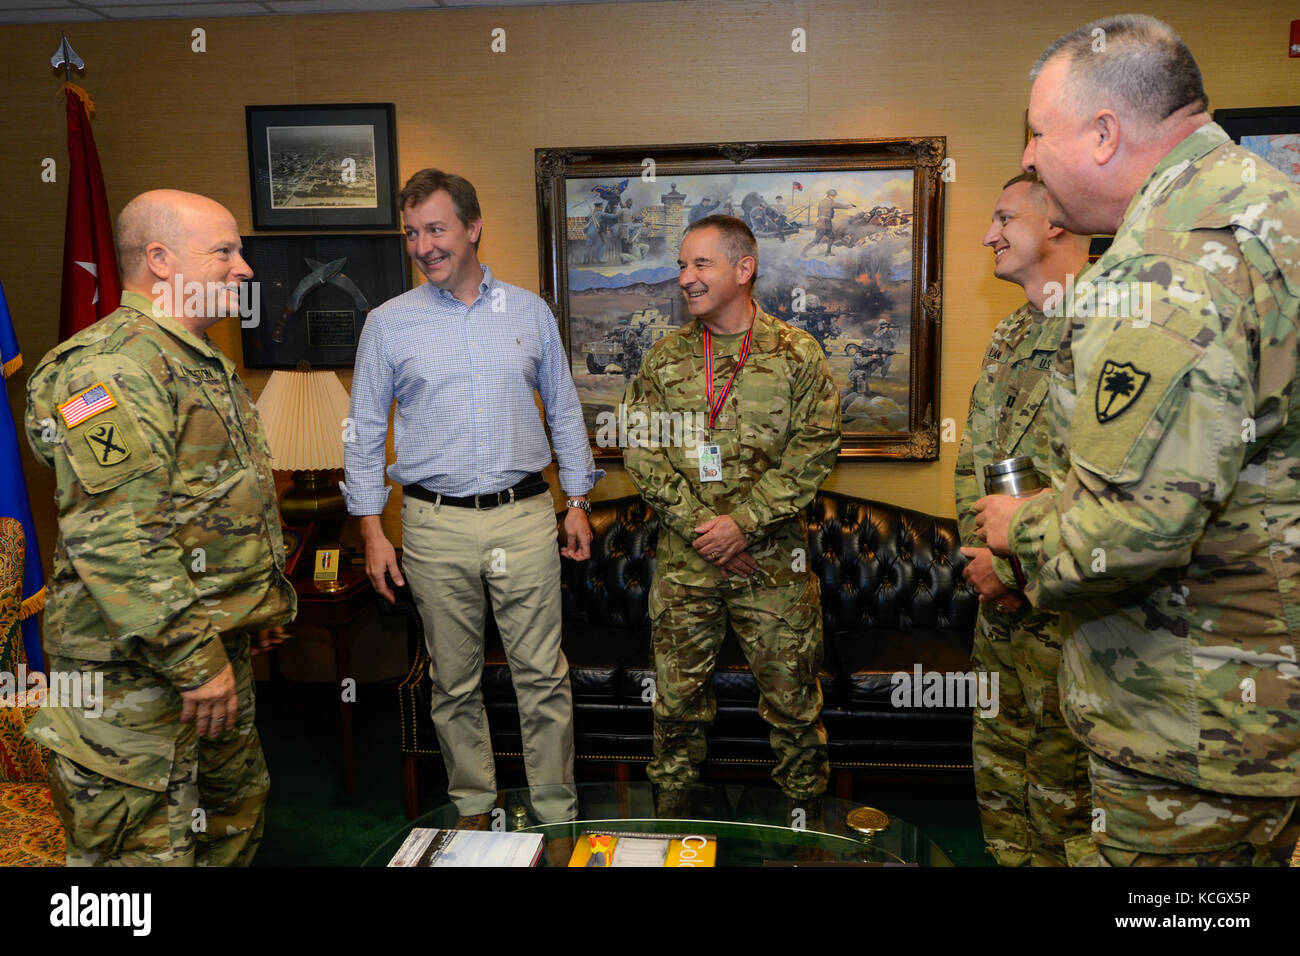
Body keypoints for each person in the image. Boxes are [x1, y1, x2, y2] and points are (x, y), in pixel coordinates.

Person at [974, 14, 1300, 866]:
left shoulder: (1167, 263)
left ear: (1105, 132)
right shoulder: (1271, 209)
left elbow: (1136, 526)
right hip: (1260, 711)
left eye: (1038, 134)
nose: (1033, 157)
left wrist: (1020, 534)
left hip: (1193, 725)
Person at [24, 189, 296, 865]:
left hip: (206, 655)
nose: (245, 270)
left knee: (228, 827)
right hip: (134, 686)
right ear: (160, 260)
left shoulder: (196, 359)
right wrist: (195, 659)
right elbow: (116, 539)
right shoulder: (109, 369)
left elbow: (204, 507)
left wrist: (248, 607)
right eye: (225, 252)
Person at [344, 168, 602, 827]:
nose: (423, 245)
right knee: (453, 686)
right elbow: (366, 429)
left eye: (436, 228)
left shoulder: (528, 312)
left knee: (541, 680)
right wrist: (371, 529)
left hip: (523, 517)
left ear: (473, 227)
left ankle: (555, 813)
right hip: (433, 525)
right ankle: (473, 813)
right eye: (411, 233)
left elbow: (566, 413)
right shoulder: (387, 325)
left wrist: (577, 499)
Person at [622, 215, 841, 814]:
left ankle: (807, 841)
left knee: (794, 711)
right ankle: (670, 831)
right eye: (682, 265)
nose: (686, 278)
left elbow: (814, 450)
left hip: (771, 569)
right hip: (685, 567)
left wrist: (741, 525)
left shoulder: (797, 354)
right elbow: (641, 451)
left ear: (744, 270)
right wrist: (707, 530)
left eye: (701, 264)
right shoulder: (663, 360)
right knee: (675, 710)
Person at [955, 173, 1092, 866]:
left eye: (1004, 217)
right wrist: (982, 562)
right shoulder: (1010, 333)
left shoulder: (1107, 326)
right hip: (1000, 608)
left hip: (1070, 618)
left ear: (1057, 223)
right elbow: (972, 464)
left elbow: (1110, 487)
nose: (989, 234)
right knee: (1002, 775)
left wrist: (1015, 562)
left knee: (1066, 791)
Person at [801, 188, 855, 257]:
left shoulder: (822, 201)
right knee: (816, 241)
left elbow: (819, 214)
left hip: (824, 223)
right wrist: (850, 205)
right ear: (830, 195)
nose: (834, 197)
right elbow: (841, 206)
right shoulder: (829, 202)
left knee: (831, 237)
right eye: (834, 196)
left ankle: (828, 252)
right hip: (823, 224)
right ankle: (803, 252)